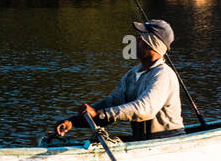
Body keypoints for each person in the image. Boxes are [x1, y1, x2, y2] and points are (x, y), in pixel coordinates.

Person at [54, 19, 186, 141]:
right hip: (143, 140)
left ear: (153, 44)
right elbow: (112, 103)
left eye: (140, 37)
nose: (135, 40)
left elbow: (145, 109)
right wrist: (74, 121)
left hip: (168, 139)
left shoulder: (163, 75)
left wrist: (101, 114)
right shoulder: (132, 74)